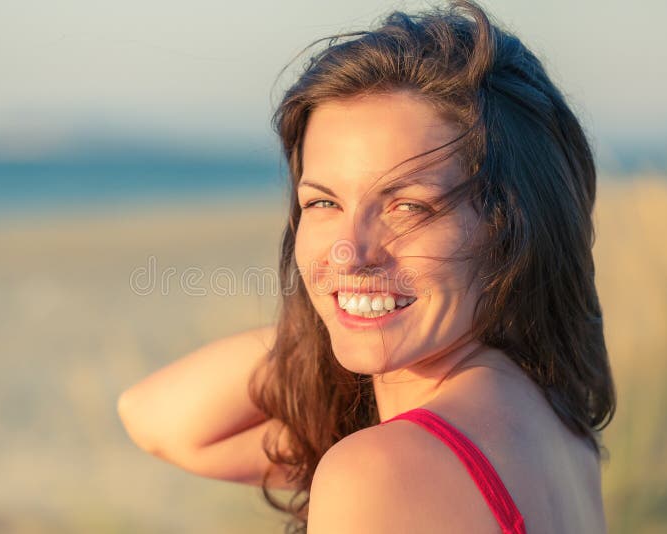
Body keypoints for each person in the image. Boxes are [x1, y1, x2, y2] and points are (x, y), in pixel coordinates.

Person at [117, 1, 616, 532]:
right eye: (323, 203)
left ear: (509, 228)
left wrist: (352, 312)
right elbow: (155, 419)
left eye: (409, 207)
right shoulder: (555, 423)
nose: (348, 252)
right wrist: (335, 319)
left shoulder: (382, 470)